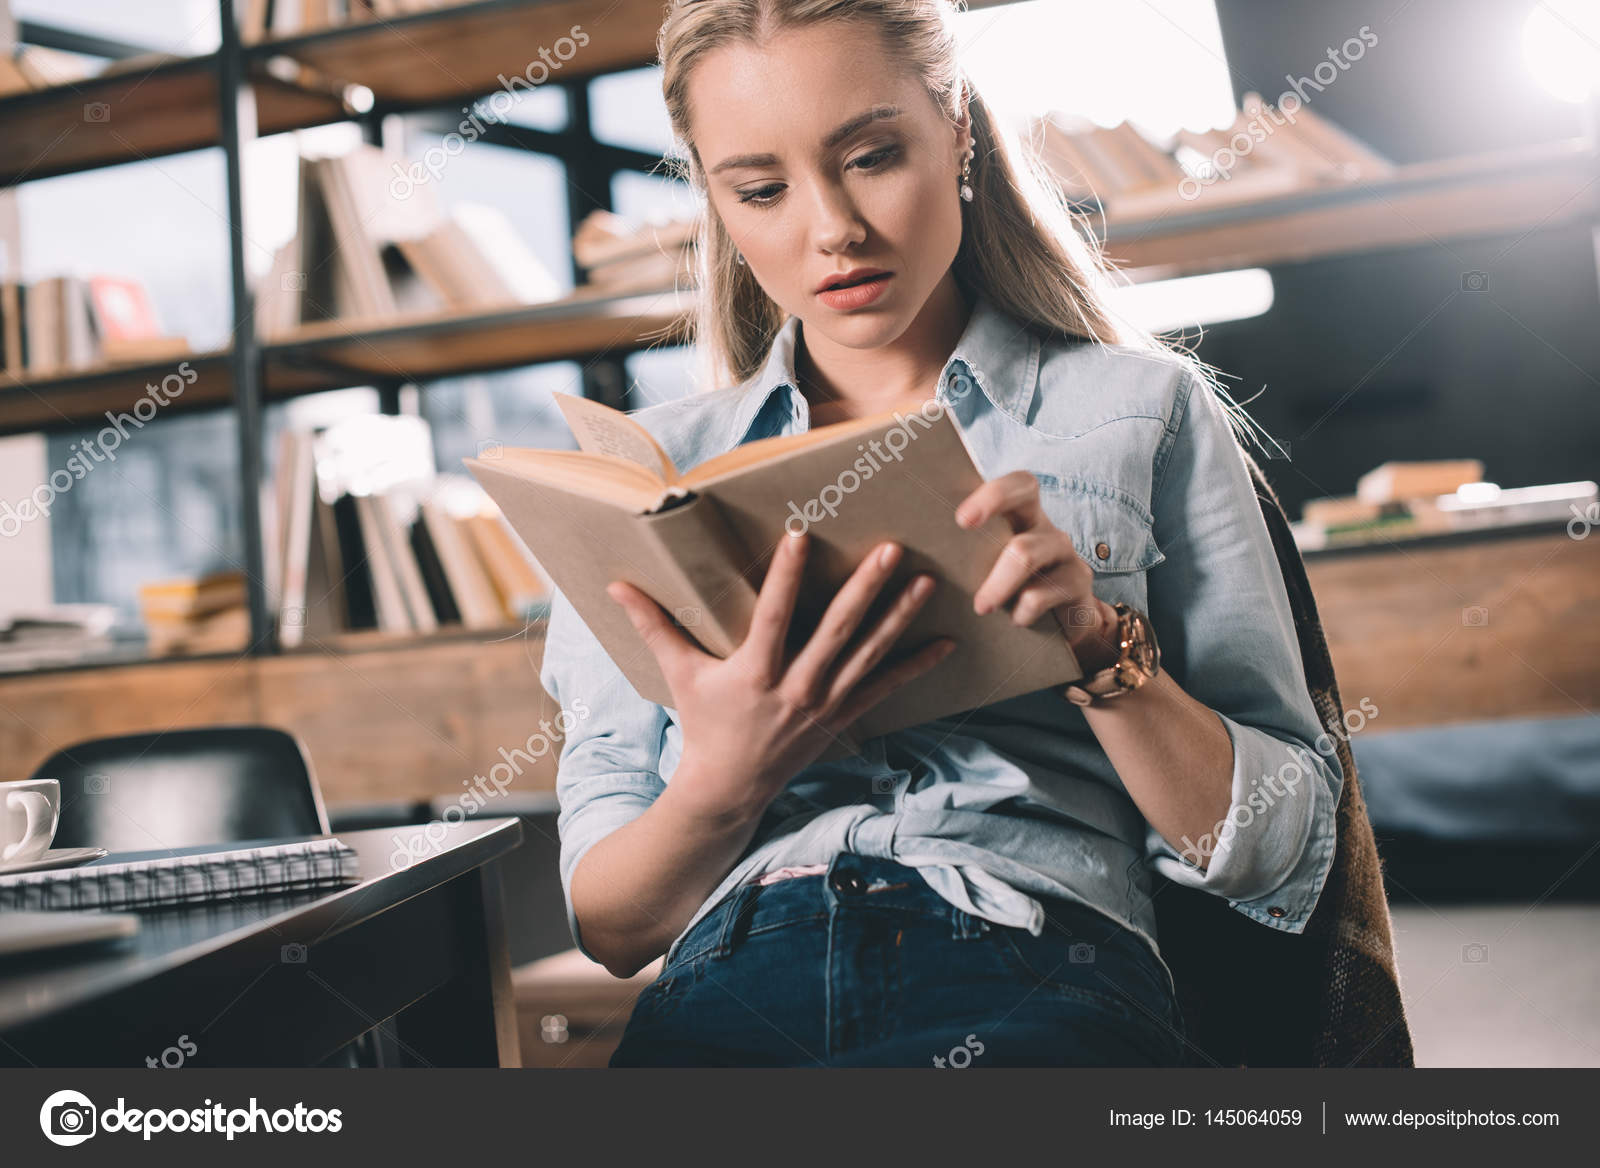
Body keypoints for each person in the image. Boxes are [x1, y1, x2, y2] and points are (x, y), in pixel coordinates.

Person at [537, 0, 1344, 1067]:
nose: (833, 228)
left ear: (956, 129)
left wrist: (1097, 648)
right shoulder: (652, 477)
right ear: (714, 196)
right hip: (733, 978)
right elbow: (611, 927)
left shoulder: (1140, 410)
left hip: (1034, 958)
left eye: (871, 157)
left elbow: (1275, 847)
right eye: (763, 190)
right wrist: (723, 777)